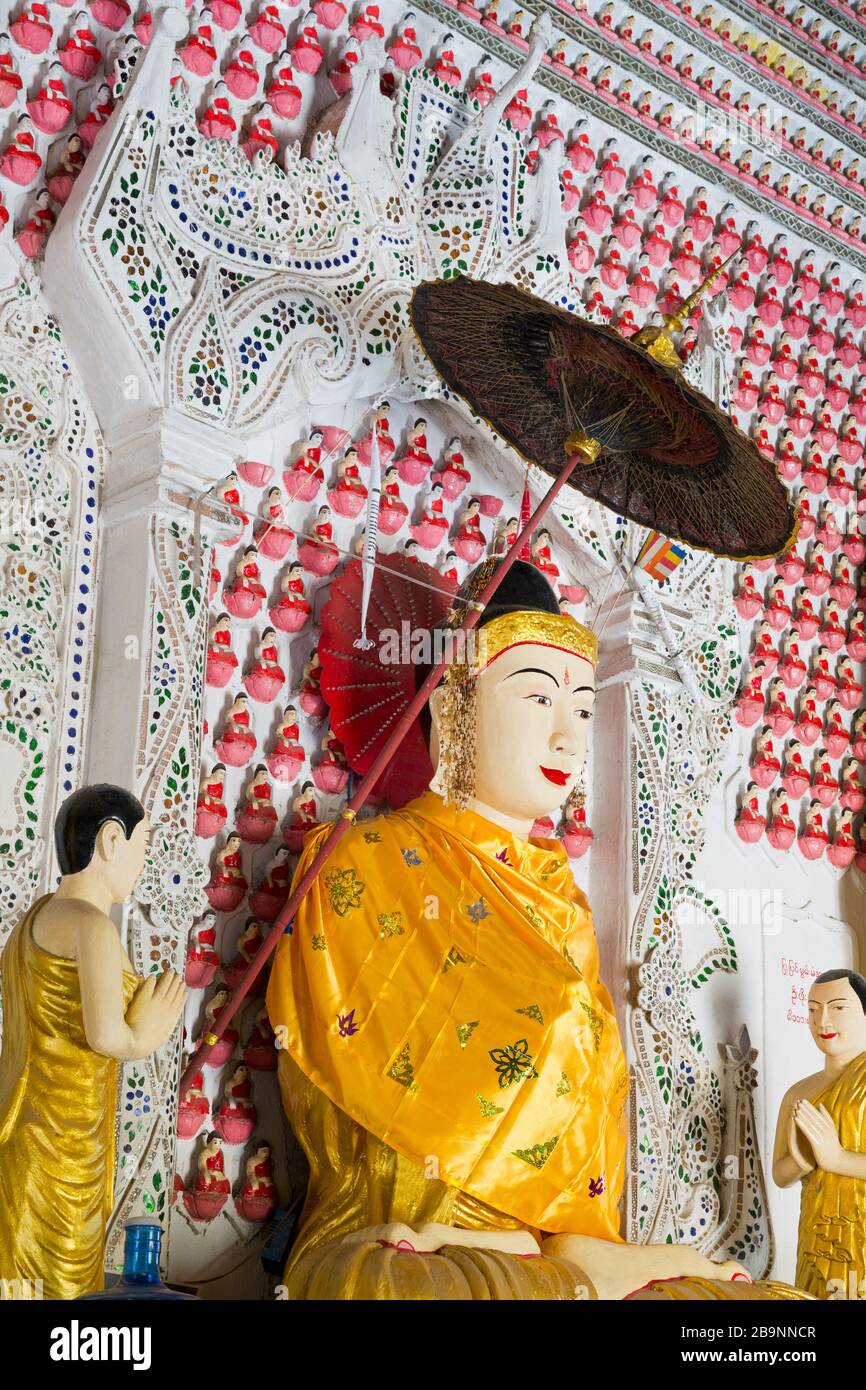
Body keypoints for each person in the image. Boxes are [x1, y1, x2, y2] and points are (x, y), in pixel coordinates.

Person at [266, 561, 761, 1301]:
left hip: (550, 1247)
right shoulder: (357, 864)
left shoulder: (562, 903)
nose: (568, 738)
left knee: (756, 1315)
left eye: (585, 709)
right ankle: (553, 1264)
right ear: (451, 706)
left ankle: (576, 1263)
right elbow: (372, 1122)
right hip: (418, 1244)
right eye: (538, 695)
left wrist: (566, 1246)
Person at [0, 785, 186, 1298]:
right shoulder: (92, 927)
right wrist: (144, 1037)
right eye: (143, 843)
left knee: (21, 1279)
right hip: (61, 1145)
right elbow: (107, 1035)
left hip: (30, 1135)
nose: (144, 860)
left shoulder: (34, 919)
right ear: (110, 840)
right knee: (55, 1287)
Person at [772, 970, 866, 1297]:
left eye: (838, 1007)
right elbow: (780, 1175)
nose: (822, 1020)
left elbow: (835, 1159)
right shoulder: (799, 1093)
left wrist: (838, 1159)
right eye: (812, 1009)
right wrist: (802, 1160)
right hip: (815, 1238)